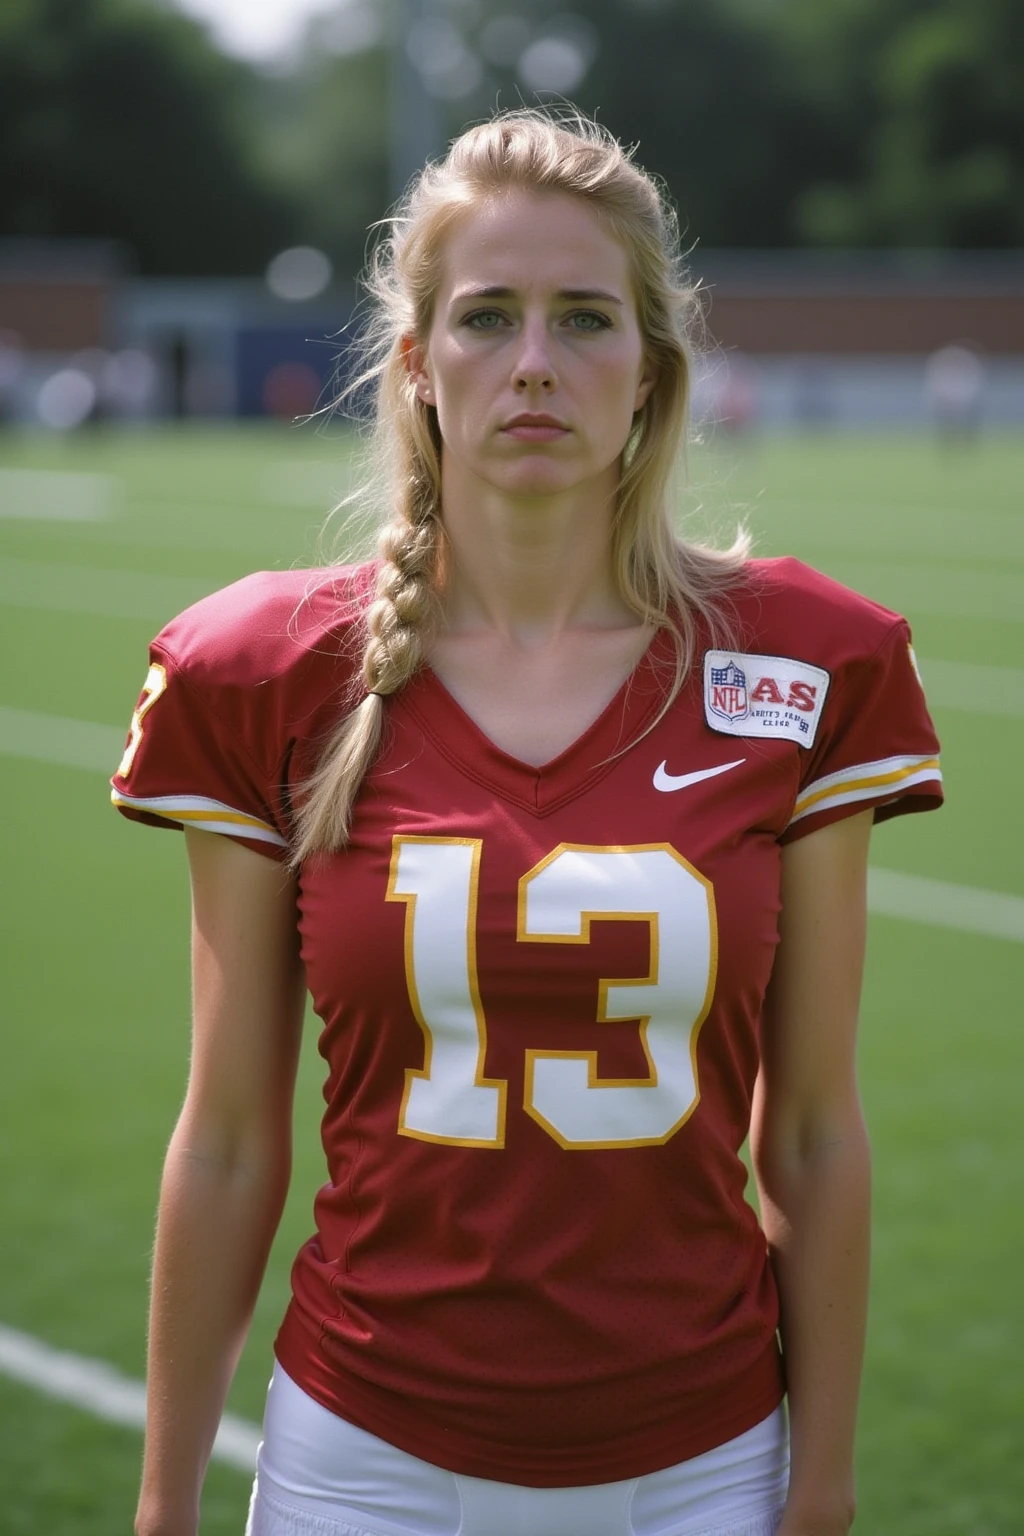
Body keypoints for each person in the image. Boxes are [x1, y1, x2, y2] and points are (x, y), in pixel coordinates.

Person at [112, 110, 943, 1536]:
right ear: (419, 366)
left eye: (584, 318)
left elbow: (808, 1130)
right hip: (358, 1467)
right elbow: (232, 1138)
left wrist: (822, 1488)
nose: (537, 364)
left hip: (704, 1465)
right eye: (487, 317)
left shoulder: (806, 667)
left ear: (653, 369)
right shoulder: (266, 672)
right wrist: (164, 1504)